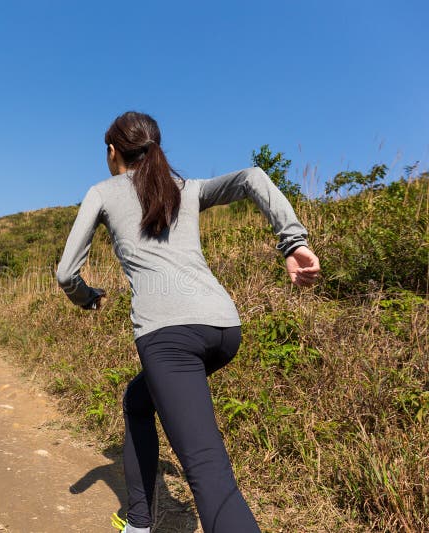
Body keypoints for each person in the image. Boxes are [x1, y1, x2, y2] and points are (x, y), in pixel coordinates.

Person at [55, 111, 320, 533]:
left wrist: (88, 298)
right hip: (222, 328)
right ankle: (140, 522)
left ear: (112, 151)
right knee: (138, 401)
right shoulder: (188, 188)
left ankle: (149, 522)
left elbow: (66, 273)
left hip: (168, 337)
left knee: (208, 473)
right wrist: (293, 242)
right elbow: (252, 177)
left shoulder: (102, 192)